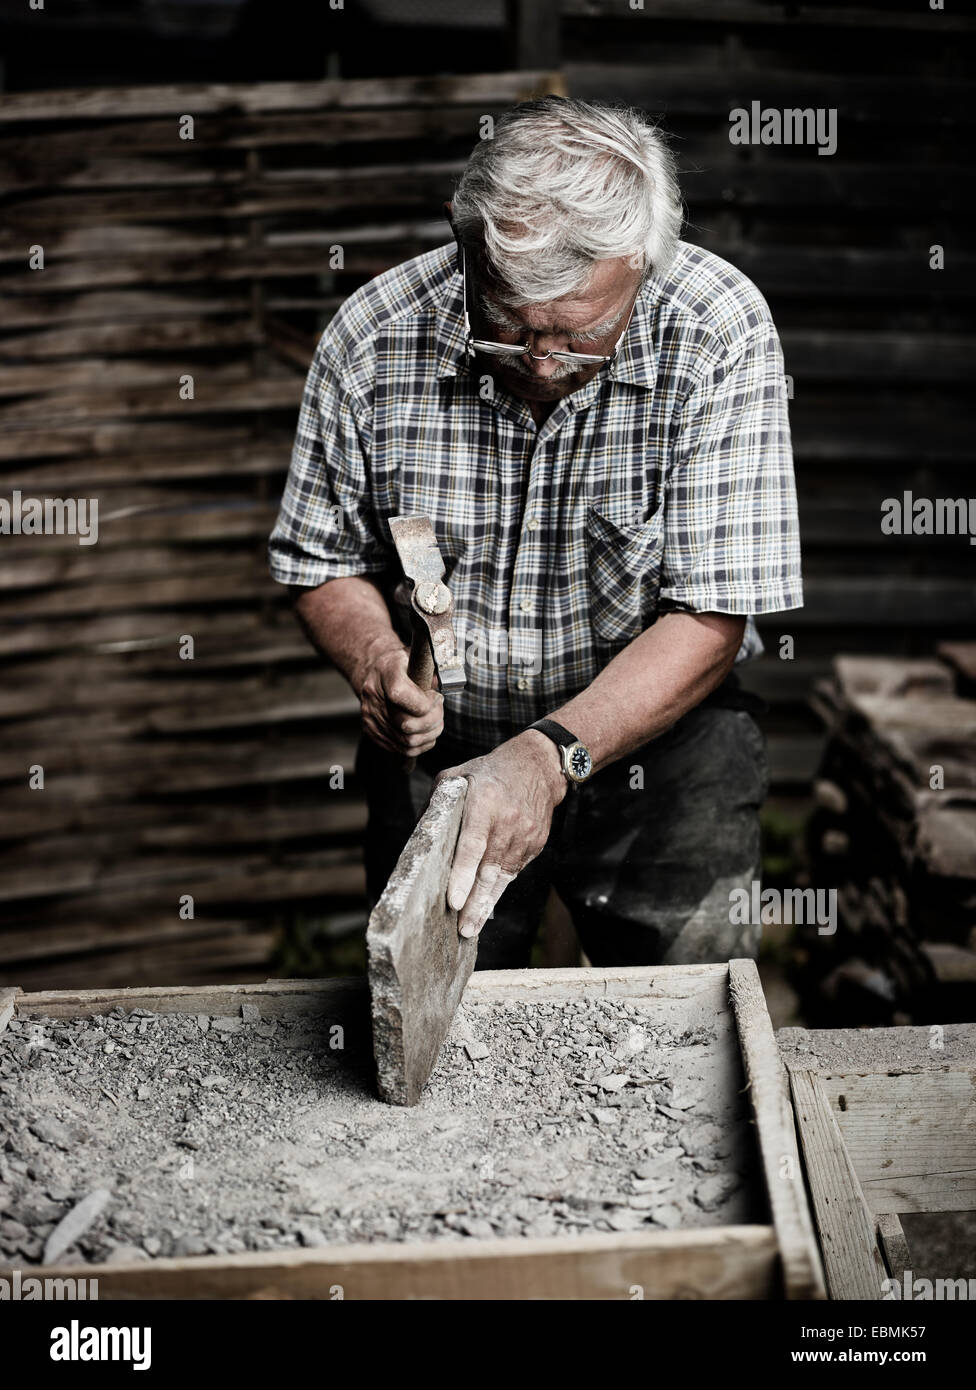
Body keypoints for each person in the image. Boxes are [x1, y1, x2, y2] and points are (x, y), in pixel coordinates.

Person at [268, 97, 802, 970]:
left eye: (581, 333)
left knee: (685, 1024)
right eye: (512, 325)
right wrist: (375, 662)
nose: (544, 361)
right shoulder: (372, 337)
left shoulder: (717, 330)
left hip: (664, 753)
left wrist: (549, 757)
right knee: (437, 1023)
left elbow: (712, 615)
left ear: (643, 264)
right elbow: (318, 560)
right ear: (465, 243)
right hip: (447, 752)